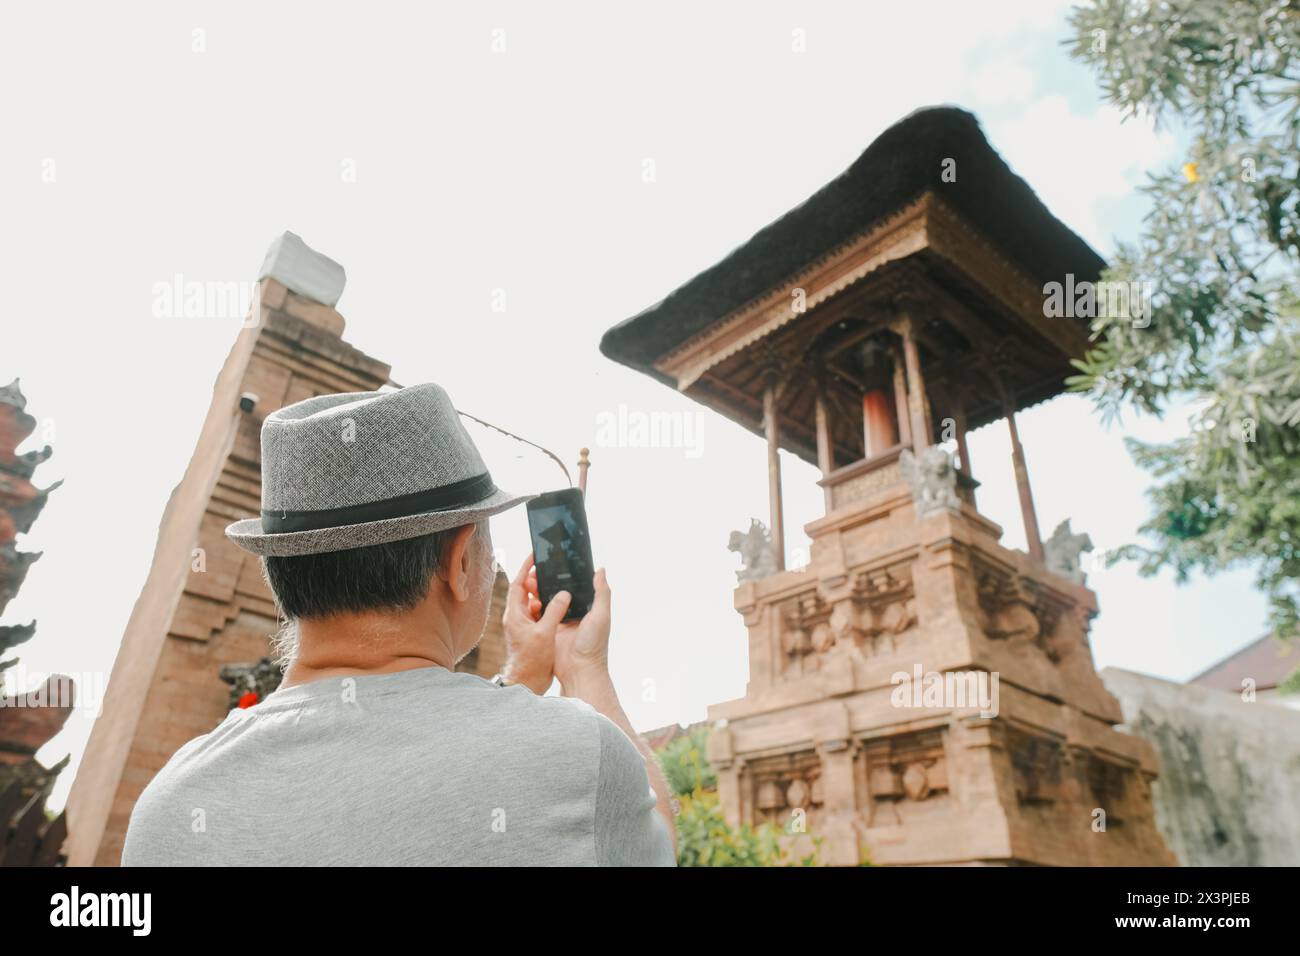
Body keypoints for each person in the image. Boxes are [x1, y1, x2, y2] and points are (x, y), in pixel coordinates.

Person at [122, 382, 677, 866]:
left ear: (282, 572)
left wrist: (520, 677)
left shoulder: (169, 806)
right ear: (460, 564)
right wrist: (583, 669)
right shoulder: (578, 756)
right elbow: (652, 847)